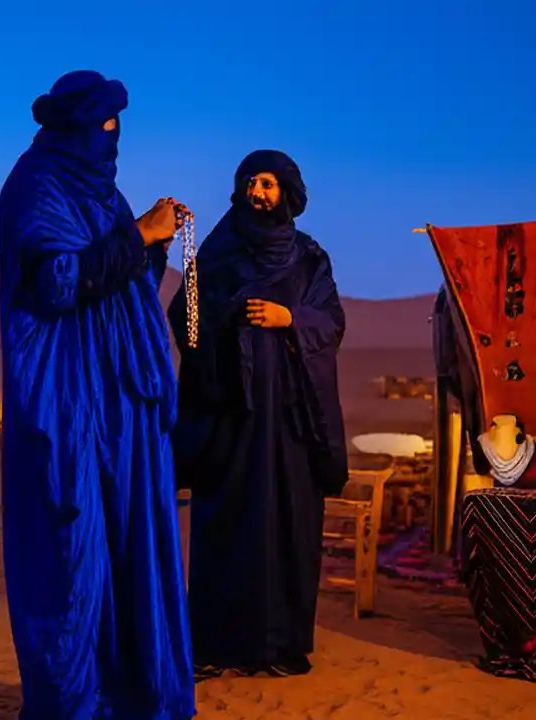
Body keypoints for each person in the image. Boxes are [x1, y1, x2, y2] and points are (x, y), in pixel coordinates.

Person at [0, 70, 196, 719]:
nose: (112, 137)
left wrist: (152, 245)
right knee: (74, 551)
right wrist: (137, 234)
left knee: (130, 546)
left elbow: (121, 285)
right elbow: (57, 284)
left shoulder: (101, 191)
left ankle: (131, 692)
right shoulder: (35, 186)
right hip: (68, 402)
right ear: (73, 127)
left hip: (120, 402)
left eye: (117, 125)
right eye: (102, 125)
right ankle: (73, 702)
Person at [168, 149, 348, 679]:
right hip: (232, 416)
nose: (258, 192)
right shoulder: (217, 253)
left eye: (268, 184)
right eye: (251, 182)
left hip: (289, 419)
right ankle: (215, 645)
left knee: (289, 527)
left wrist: (287, 316)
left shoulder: (309, 258)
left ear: (287, 192)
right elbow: (186, 319)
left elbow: (331, 322)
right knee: (226, 528)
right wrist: (228, 321)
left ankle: (282, 647)